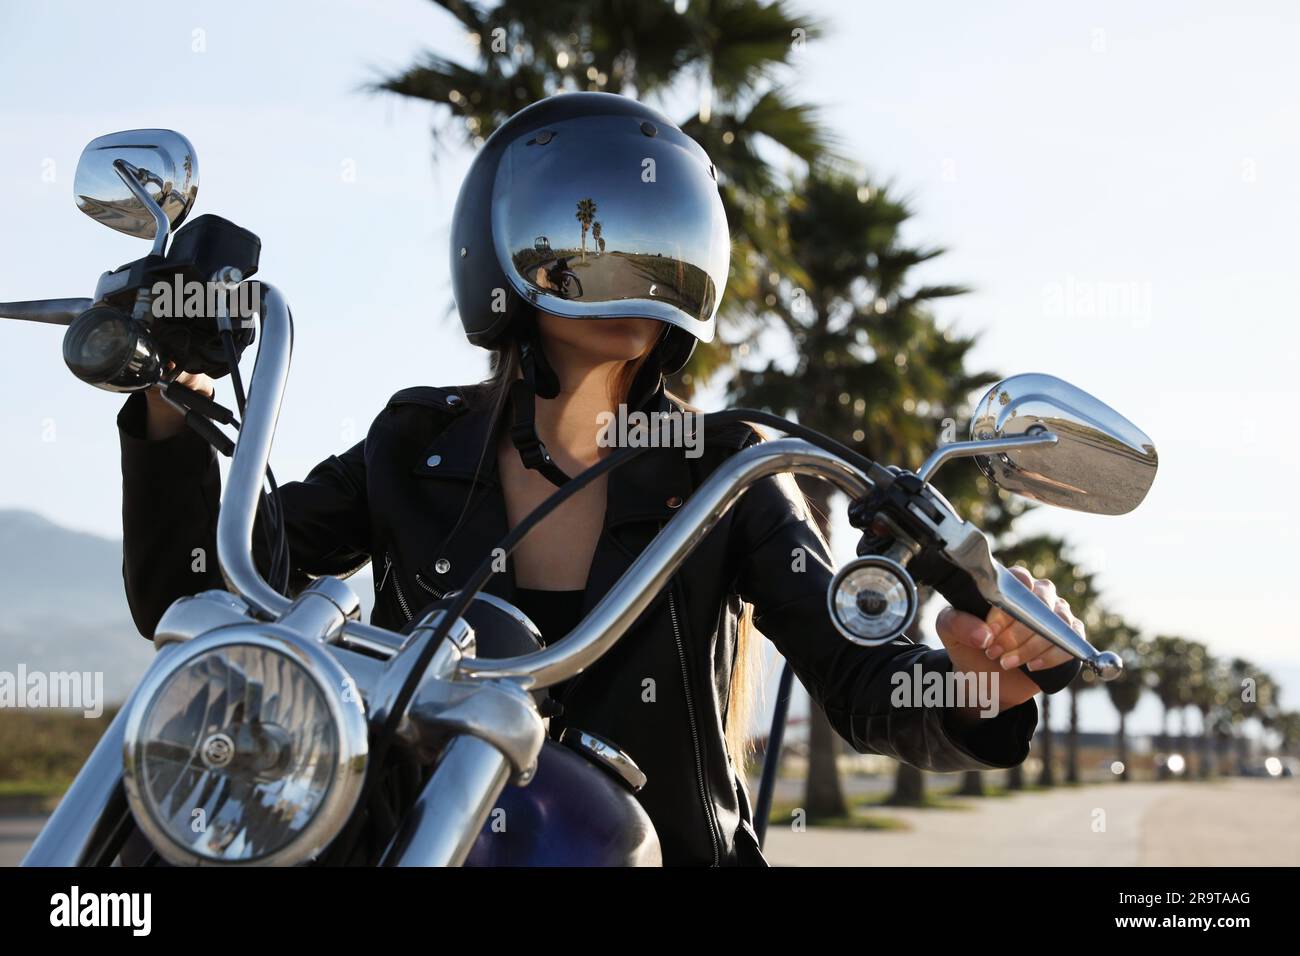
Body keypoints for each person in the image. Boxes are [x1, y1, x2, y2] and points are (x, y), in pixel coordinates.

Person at [118, 92, 1084, 866]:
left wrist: (974, 685)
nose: (632, 270)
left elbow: (864, 683)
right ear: (497, 255)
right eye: (588, 242)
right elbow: (204, 589)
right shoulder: (413, 445)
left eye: (660, 243)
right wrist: (176, 387)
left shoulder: (731, 468)